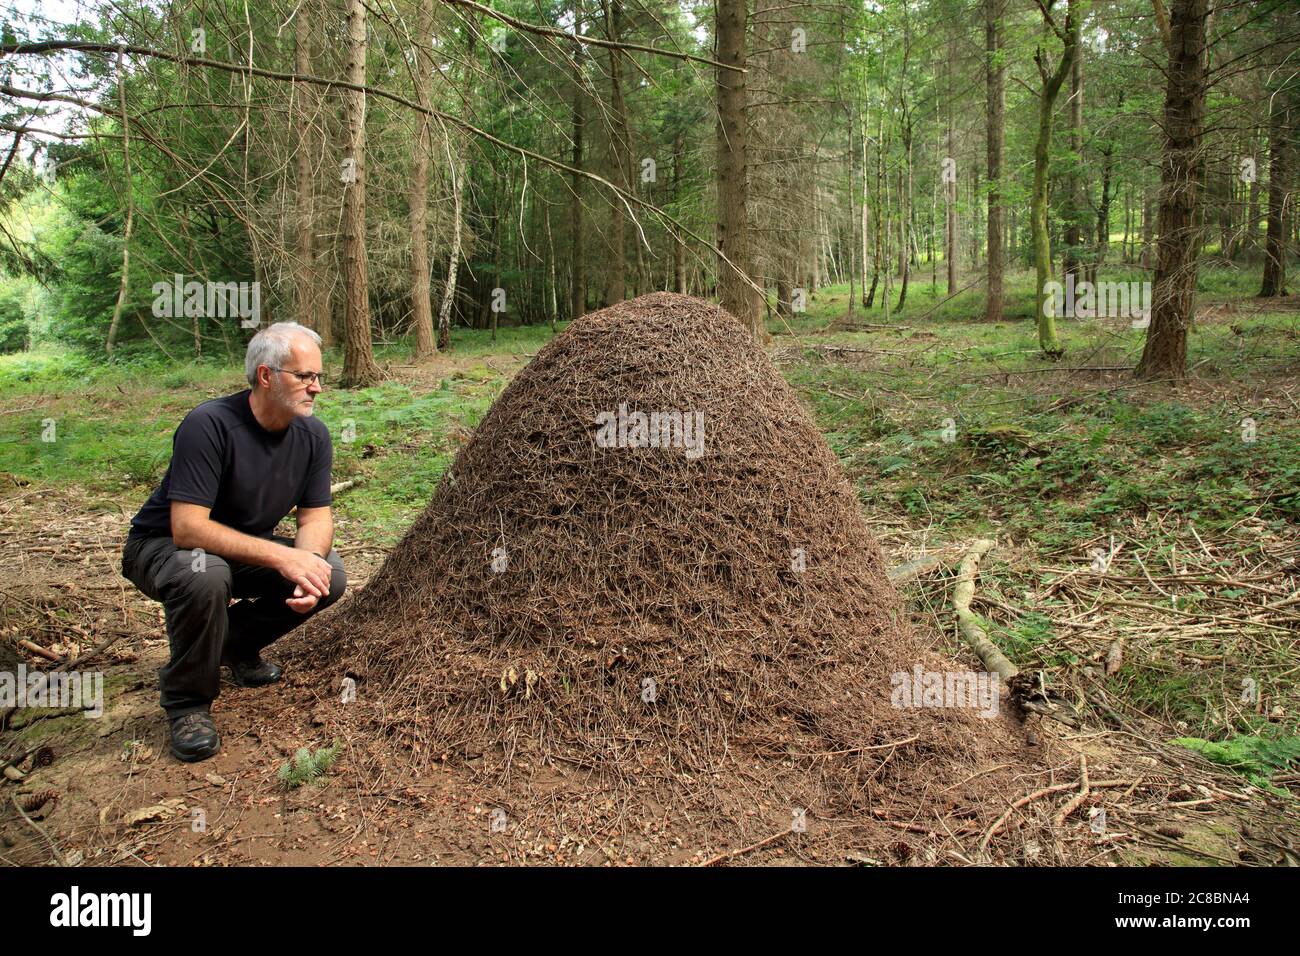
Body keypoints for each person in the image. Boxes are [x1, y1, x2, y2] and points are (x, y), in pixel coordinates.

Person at [121, 322, 346, 762]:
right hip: (161, 547)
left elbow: (315, 515)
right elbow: (187, 527)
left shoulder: (313, 435)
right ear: (266, 376)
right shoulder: (210, 425)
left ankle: (231, 646)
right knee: (206, 573)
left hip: (238, 547)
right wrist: (284, 555)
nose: (316, 388)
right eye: (304, 376)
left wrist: (307, 562)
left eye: (319, 377)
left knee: (329, 574)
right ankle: (187, 702)